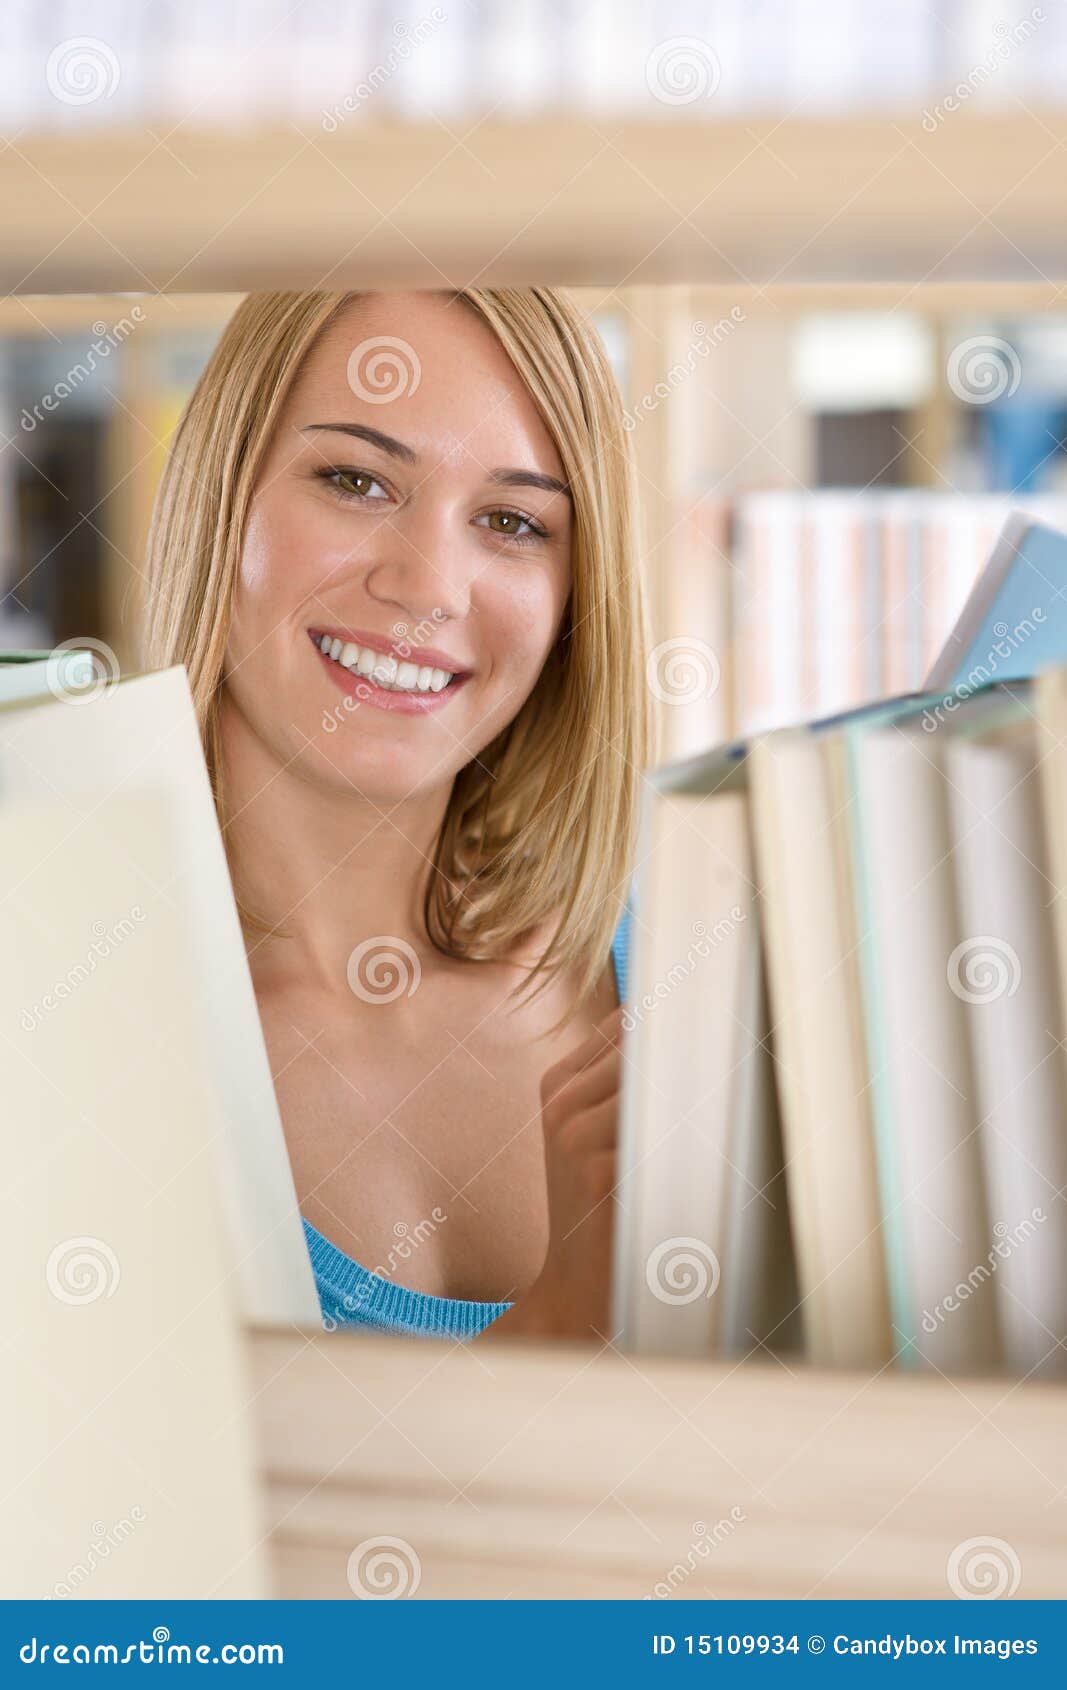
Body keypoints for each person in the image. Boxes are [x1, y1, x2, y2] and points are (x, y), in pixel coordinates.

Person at [142, 287, 653, 1340]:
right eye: (356, 480)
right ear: (218, 498)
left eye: (512, 521)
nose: (427, 586)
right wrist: (570, 1312)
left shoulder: (686, 958)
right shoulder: (68, 1000)